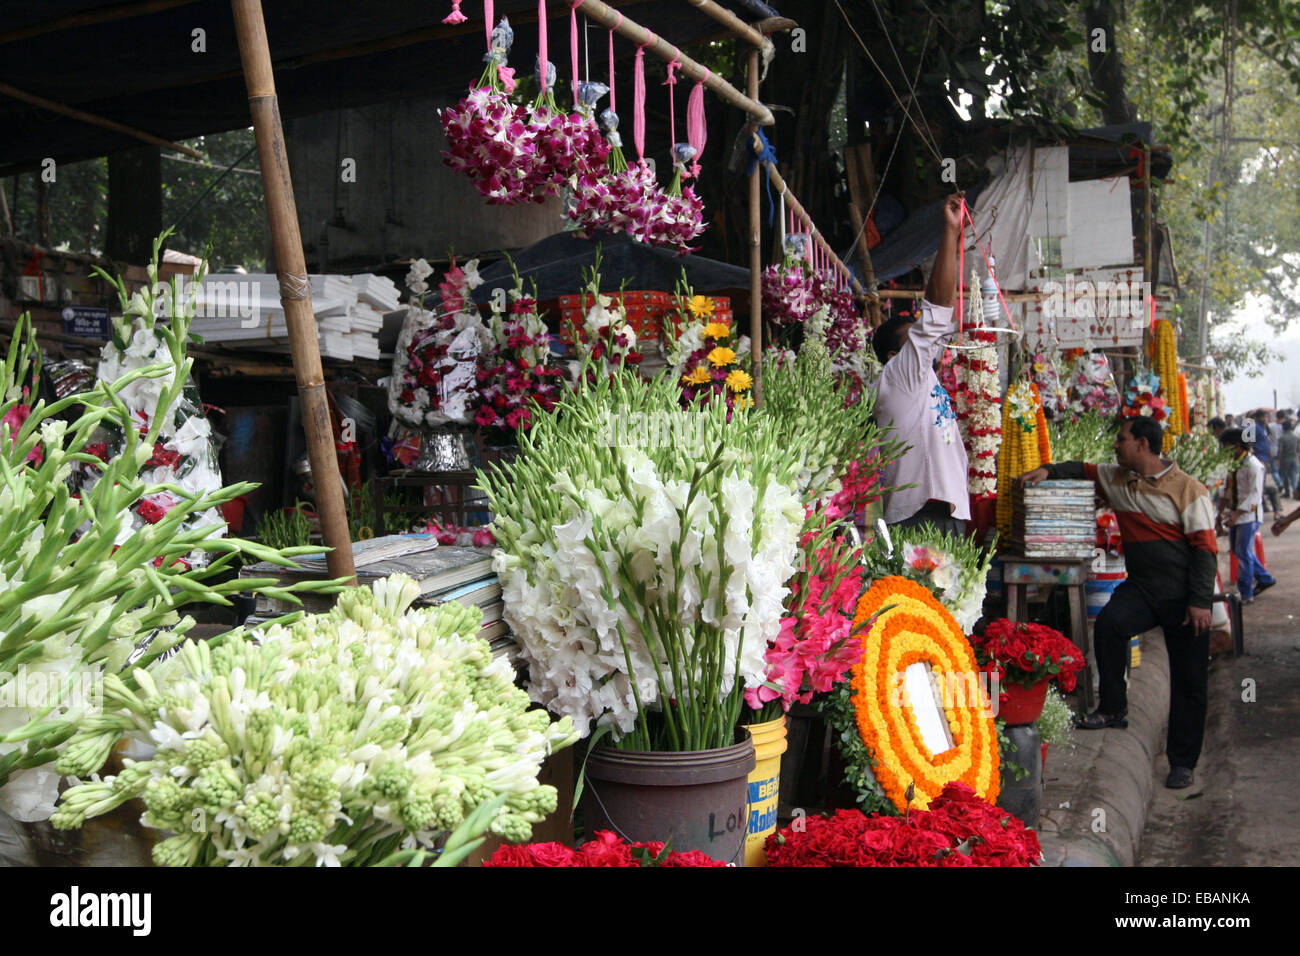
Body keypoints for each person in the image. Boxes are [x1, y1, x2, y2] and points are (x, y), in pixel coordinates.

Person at [1019, 415, 1217, 790]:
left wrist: (1200, 602)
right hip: (1142, 589)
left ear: (1142, 444)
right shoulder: (1116, 477)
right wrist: (1046, 470)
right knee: (1110, 625)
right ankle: (1112, 709)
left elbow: (1206, 551)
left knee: (1189, 681)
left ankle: (1183, 762)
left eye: (1121, 439)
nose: (1115, 445)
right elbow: (1081, 468)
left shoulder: (1190, 490)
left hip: (1184, 596)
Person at [872, 193, 967, 536]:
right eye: (914, 339)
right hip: (921, 517)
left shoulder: (922, 379)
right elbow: (938, 309)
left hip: (942, 513)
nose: (927, 343)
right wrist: (950, 232)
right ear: (894, 358)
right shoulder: (900, 376)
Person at [1219, 427, 1277, 605]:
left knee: (1243, 553)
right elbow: (1227, 489)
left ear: (1236, 445)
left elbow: (1255, 496)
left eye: (1226, 446)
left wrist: (1236, 515)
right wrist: (1220, 513)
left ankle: (1246, 592)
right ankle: (1264, 578)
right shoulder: (1233, 463)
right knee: (1239, 551)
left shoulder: (1254, 465)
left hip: (1248, 516)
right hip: (1236, 514)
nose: (1223, 450)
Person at [1279, 419, 1299, 499]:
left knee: (1285, 476)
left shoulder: (1282, 437)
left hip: (1285, 459)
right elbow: (1298, 449)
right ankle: (1295, 491)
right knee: (1294, 475)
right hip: (1294, 458)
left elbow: (1280, 450)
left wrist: (1279, 460)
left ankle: (1287, 492)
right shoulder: (1295, 437)